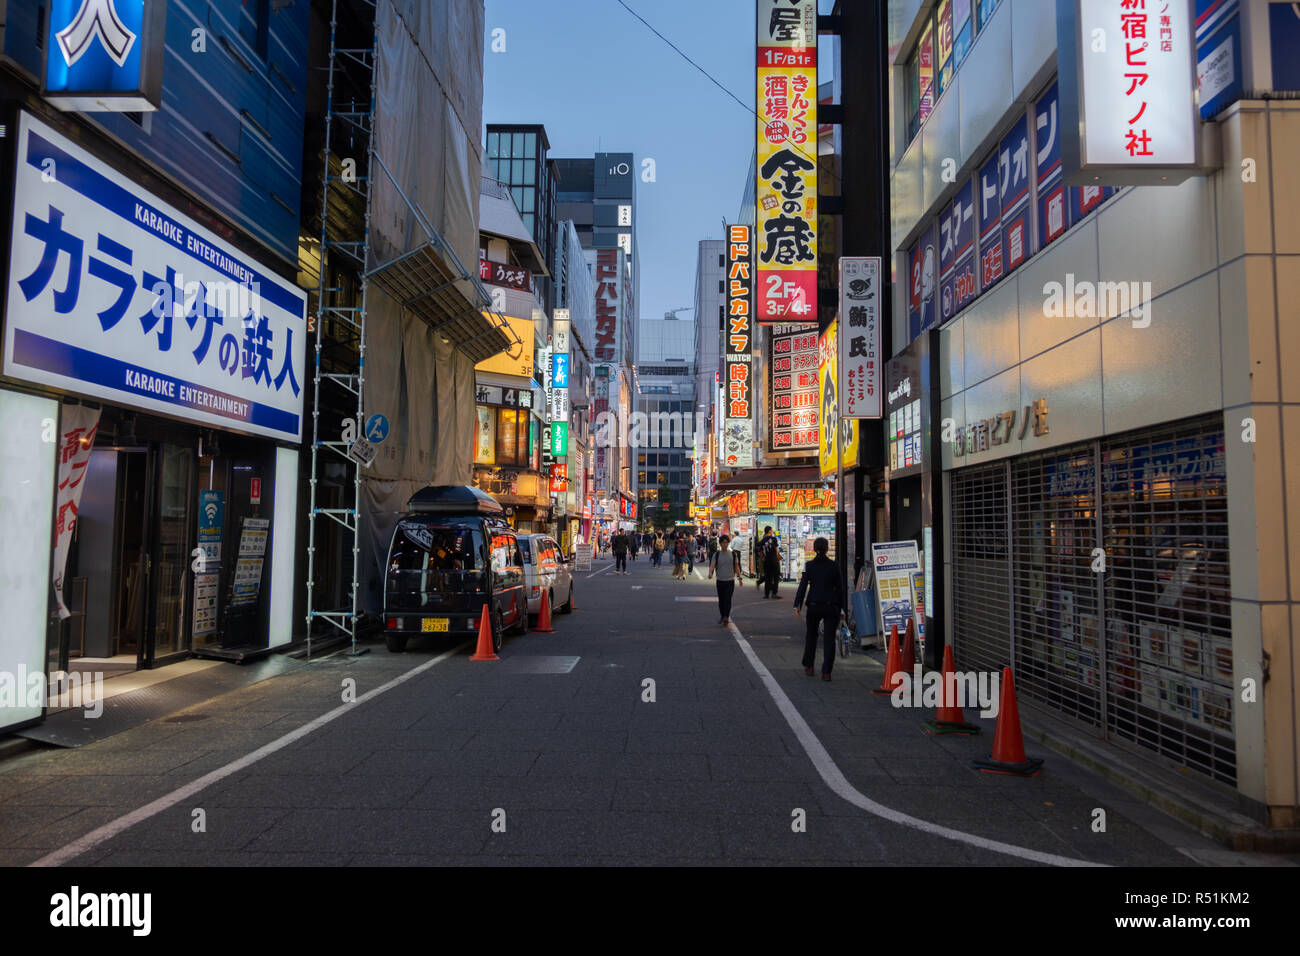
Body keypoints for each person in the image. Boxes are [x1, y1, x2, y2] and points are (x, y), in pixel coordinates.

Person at [793, 537, 843, 681]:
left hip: (814, 605)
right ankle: (826, 672)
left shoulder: (809, 566)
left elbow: (803, 586)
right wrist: (842, 609)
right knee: (829, 639)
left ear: (814, 549)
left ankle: (809, 666)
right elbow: (840, 589)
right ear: (827, 549)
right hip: (830, 606)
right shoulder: (834, 566)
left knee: (811, 636)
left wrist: (798, 604)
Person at [708, 533, 743, 625]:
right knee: (721, 600)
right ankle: (722, 615)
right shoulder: (717, 554)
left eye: (726, 542)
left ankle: (726, 617)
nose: (725, 544)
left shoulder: (733, 554)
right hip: (720, 580)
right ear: (720, 544)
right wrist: (710, 573)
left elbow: (736, 567)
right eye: (723, 542)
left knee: (728, 599)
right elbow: (712, 565)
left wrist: (740, 578)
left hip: (730, 581)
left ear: (729, 543)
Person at [759, 527, 782, 599]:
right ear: (769, 531)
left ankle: (766, 594)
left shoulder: (762, 540)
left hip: (767, 561)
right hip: (774, 560)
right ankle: (774, 594)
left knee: (767, 577)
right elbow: (776, 550)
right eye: (772, 530)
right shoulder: (774, 539)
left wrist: (763, 558)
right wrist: (778, 557)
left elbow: (760, 552)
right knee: (775, 577)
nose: (772, 531)